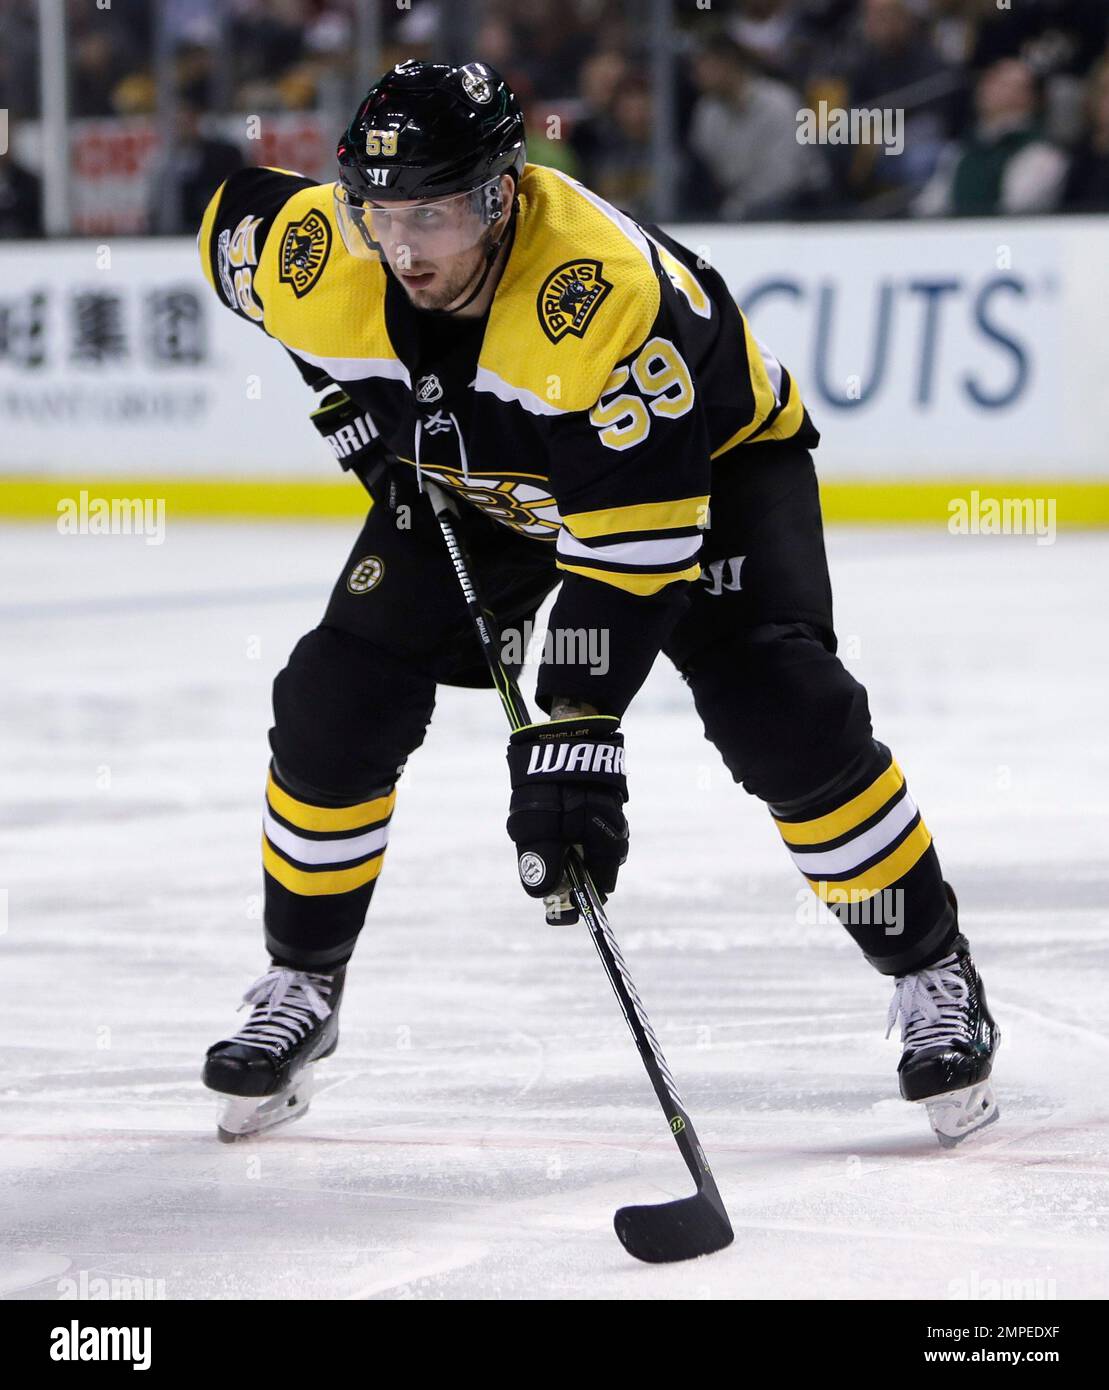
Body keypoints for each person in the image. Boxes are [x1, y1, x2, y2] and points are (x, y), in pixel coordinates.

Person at [196, 59, 999, 1146]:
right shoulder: (322, 255)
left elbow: (634, 557)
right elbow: (232, 222)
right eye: (383, 213)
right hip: (486, 479)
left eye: (432, 212)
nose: (403, 245)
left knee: (783, 712)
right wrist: (339, 393)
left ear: (500, 192)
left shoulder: (594, 296)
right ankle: (301, 983)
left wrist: (572, 731)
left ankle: (929, 970)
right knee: (333, 703)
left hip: (706, 472)